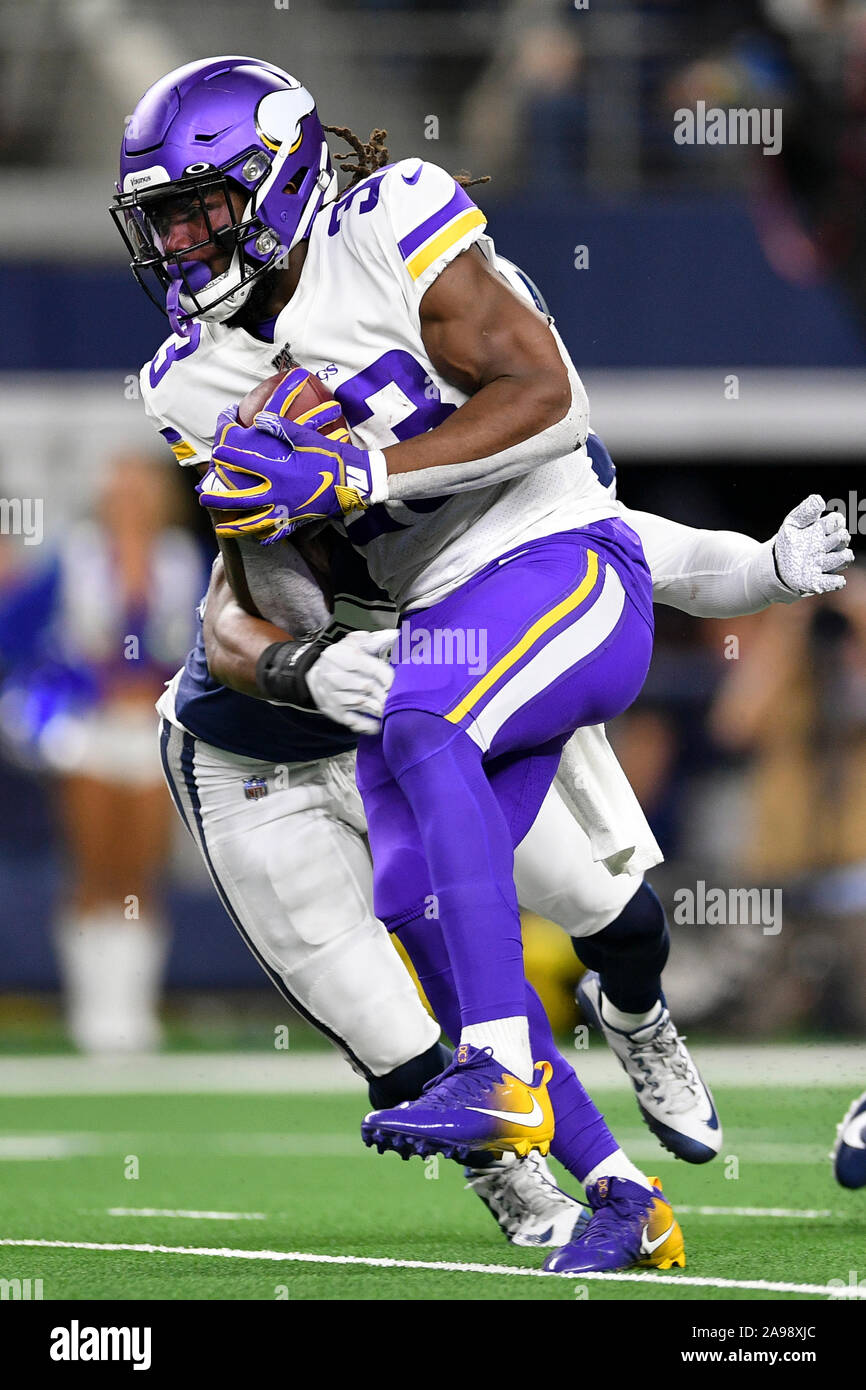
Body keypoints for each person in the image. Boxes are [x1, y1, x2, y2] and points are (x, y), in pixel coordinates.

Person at [113, 56, 850, 1273]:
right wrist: (298, 662)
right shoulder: (195, 379)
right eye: (167, 220)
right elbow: (241, 598)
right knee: (412, 900)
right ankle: (611, 1180)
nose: (186, 242)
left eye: (203, 206)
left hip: (546, 569)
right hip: (430, 636)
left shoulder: (389, 218)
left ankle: (566, 1038)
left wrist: (360, 472)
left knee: (533, 834)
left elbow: (550, 404)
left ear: (282, 175)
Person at [0, 455, 204, 1051]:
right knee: (93, 869)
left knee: (140, 873)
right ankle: (91, 1013)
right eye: (119, 489)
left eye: (141, 490)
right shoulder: (76, 557)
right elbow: (18, 633)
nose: (130, 500)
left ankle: (133, 1011)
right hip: (88, 728)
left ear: (161, 498)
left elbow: (206, 646)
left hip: (151, 727)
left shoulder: (185, 560)